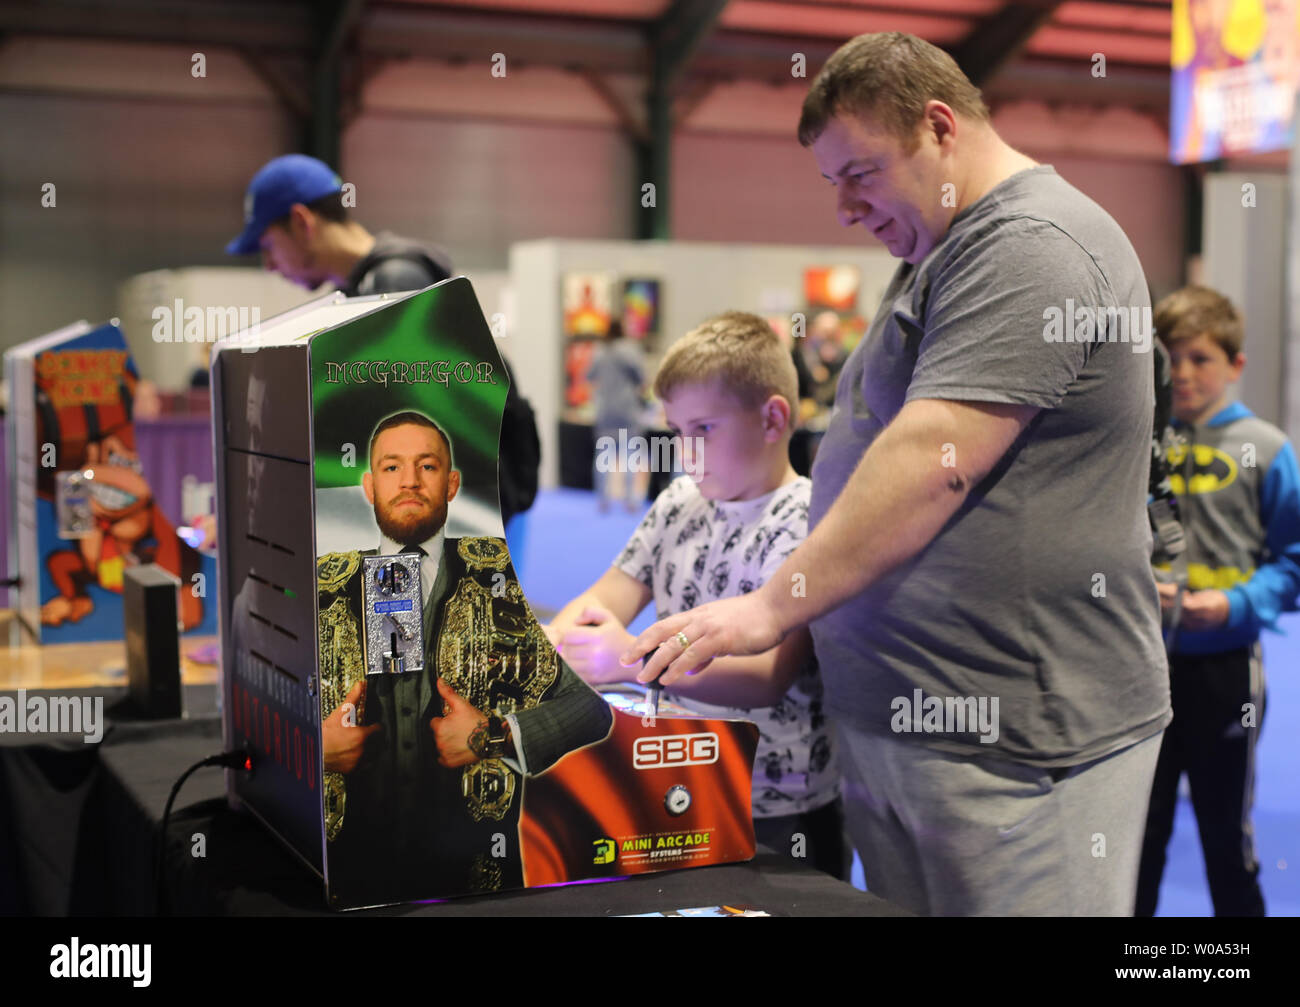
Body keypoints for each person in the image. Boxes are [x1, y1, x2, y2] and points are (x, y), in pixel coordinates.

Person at [622, 32, 1171, 916]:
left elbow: (933, 460)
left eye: (860, 173)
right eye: (831, 181)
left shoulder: (1031, 243)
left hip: (1015, 739)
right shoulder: (940, 249)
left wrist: (770, 607)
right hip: (917, 726)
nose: (844, 208)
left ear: (940, 127)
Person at [546, 312, 844, 878]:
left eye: (704, 429)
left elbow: (767, 675)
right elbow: (606, 597)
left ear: (773, 419)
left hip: (780, 807)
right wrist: (555, 637)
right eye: (677, 431)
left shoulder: (810, 520)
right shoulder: (677, 502)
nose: (687, 452)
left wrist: (630, 661)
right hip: (676, 783)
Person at [317, 410, 612, 901]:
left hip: (476, 882)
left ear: (451, 483)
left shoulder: (497, 578)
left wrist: (493, 735)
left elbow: (591, 706)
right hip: (348, 879)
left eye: (427, 466)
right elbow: (257, 702)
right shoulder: (323, 585)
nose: (409, 481)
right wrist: (314, 748)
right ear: (369, 486)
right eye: (392, 467)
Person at [226, 154, 540, 525]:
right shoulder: (371, 286)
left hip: (458, 513)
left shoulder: (394, 282)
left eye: (268, 246)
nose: (270, 265)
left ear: (301, 222)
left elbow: (396, 421)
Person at [1137, 286, 1300, 916]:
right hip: (1139, 667)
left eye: (1200, 358)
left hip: (1227, 669)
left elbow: (1292, 562)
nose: (1182, 373)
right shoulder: (1137, 442)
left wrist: (1235, 606)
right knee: (1137, 840)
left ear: (1235, 364)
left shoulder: (1269, 449)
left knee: (1226, 837)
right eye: (1171, 358)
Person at [587, 319, 650, 511]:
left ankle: (602, 499)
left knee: (603, 456)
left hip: (605, 411)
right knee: (629, 455)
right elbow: (642, 377)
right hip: (627, 410)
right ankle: (629, 499)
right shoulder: (630, 350)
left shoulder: (600, 351)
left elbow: (589, 376)